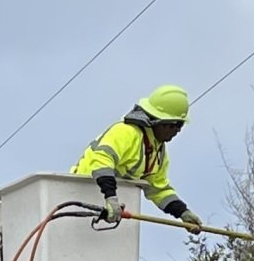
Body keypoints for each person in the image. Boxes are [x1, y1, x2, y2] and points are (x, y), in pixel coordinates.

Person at [72, 86, 203, 230]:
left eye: (181, 125)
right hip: (80, 195)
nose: (178, 130)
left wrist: (183, 212)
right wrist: (111, 197)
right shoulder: (126, 132)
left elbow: (158, 189)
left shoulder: (157, 151)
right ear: (158, 121)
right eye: (176, 124)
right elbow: (101, 161)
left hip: (110, 209)